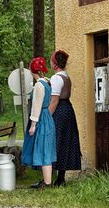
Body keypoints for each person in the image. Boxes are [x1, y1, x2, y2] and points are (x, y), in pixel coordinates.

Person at [21, 57, 56, 189]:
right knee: (45, 148)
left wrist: (33, 125)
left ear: (32, 71)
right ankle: (47, 180)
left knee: (43, 149)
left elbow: (37, 105)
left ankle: (47, 183)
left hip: (41, 118)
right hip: (47, 117)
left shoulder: (39, 86)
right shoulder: (47, 83)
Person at [48, 49, 82, 186]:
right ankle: (60, 178)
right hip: (68, 109)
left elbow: (54, 100)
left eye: (51, 61)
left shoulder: (56, 78)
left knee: (54, 142)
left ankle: (49, 178)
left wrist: (47, 117)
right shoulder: (66, 76)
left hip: (59, 110)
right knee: (64, 142)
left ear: (55, 64)